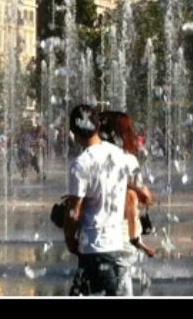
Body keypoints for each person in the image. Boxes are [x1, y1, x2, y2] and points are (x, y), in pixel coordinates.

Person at [63, 104, 149, 296]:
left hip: (93, 247)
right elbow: (141, 192)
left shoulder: (81, 163)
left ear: (74, 131)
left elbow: (74, 211)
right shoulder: (118, 155)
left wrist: (69, 238)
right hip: (114, 244)